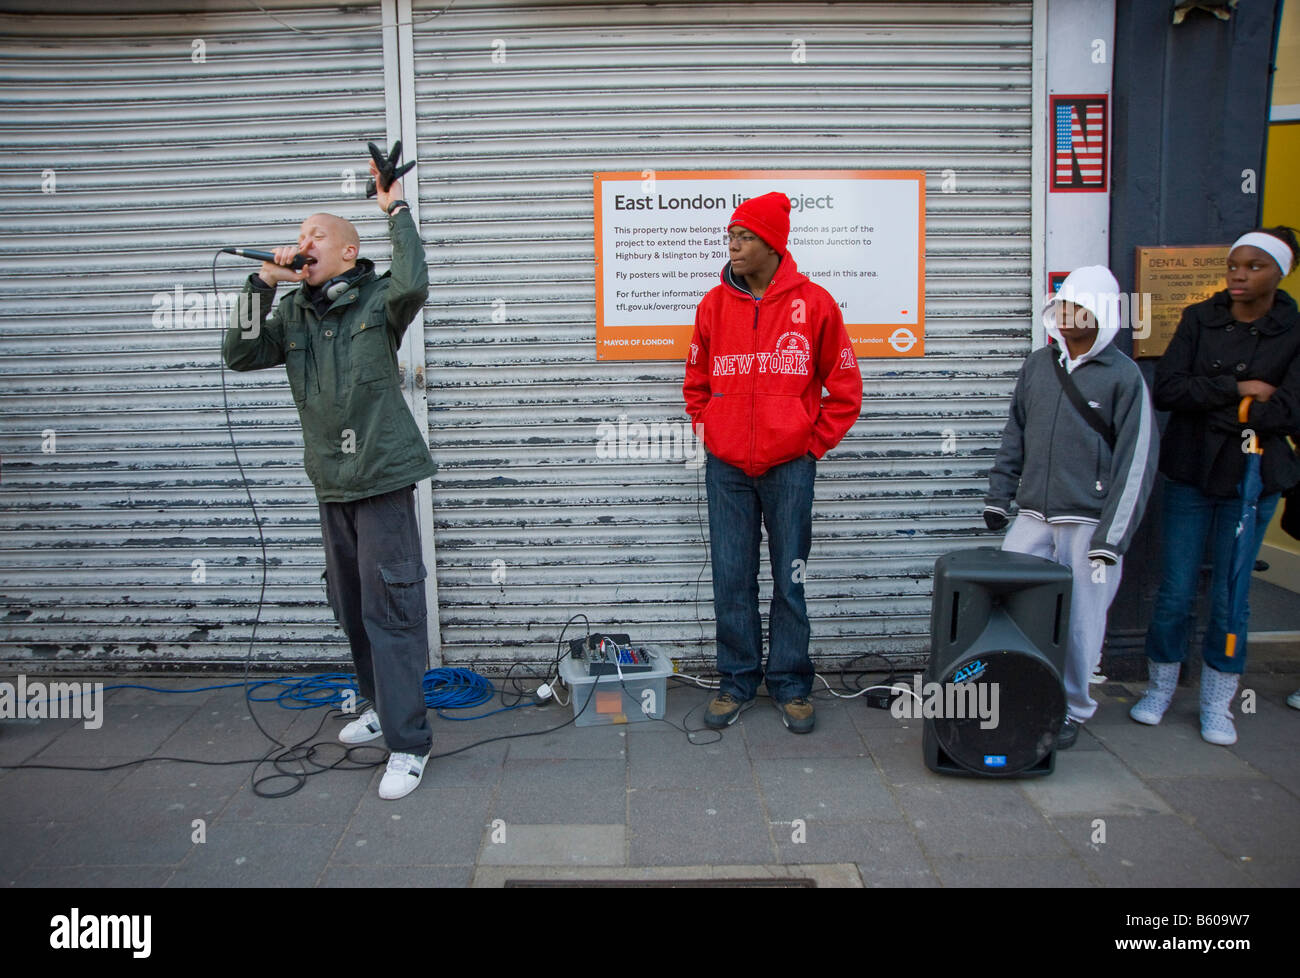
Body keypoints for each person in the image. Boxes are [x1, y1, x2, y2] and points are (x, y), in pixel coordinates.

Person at [222, 158, 436, 799]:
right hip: (331, 482)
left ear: (348, 251)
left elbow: (416, 282)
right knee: (350, 607)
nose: (302, 243)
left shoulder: (379, 298)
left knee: (391, 607)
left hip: (381, 477)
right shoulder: (291, 315)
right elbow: (239, 354)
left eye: (315, 235)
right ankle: (379, 705)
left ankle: (408, 742)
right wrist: (261, 283)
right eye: (299, 235)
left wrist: (394, 211)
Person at [683, 191, 862, 733]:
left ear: (772, 243)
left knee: (790, 578)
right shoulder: (713, 306)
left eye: (744, 237)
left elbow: (846, 390)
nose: (732, 246)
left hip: (790, 467)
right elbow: (696, 385)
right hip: (728, 468)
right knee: (731, 576)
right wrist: (712, 430)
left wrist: (810, 444)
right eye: (730, 237)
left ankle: (790, 683)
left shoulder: (817, 305)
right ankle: (737, 680)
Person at [1134, 227, 1300, 745]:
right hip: (1191, 471)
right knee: (1175, 590)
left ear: (1279, 273)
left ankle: (1217, 701)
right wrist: (1240, 390)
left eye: (1254, 266)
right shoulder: (1198, 318)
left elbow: (1290, 411)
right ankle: (1160, 688)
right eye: (1234, 265)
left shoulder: (1293, 332)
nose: (1239, 275)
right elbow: (1168, 390)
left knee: (1232, 595)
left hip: (1252, 479)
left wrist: (1218, 405)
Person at [984, 266, 1158, 748]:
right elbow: (1015, 432)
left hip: (1090, 523)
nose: (1066, 316)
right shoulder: (1039, 365)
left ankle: (1073, 707)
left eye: (1079, 308)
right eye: (1061, 306)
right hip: (1034, 516)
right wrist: (1000, 496)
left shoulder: (1125, 378)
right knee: (1012, 607)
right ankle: (1021, 691)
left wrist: (1111, 541)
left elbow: (1137, 463)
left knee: (1082, 620)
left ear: (1102, 315)